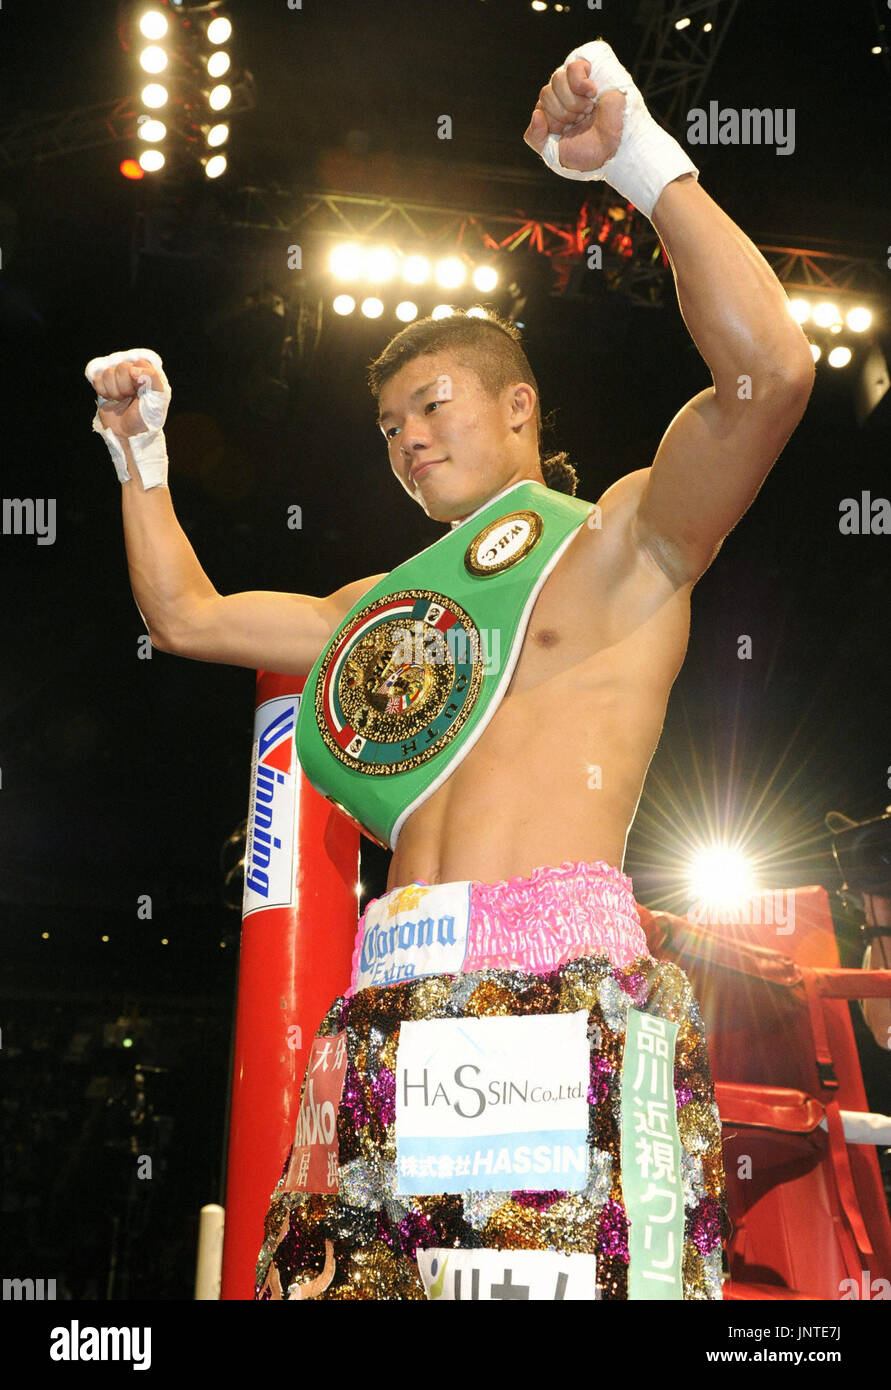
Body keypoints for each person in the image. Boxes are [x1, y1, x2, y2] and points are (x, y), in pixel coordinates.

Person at [85, 40, 815, 1300]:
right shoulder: (381, 613)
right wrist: (138, 456)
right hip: (389, 986)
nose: (407, 441)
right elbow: (189, 616)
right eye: (387, 429)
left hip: (558, 981)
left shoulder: (620, 548)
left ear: (521, 406)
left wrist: (643, 165)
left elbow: (770, 378)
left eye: (432, 406)